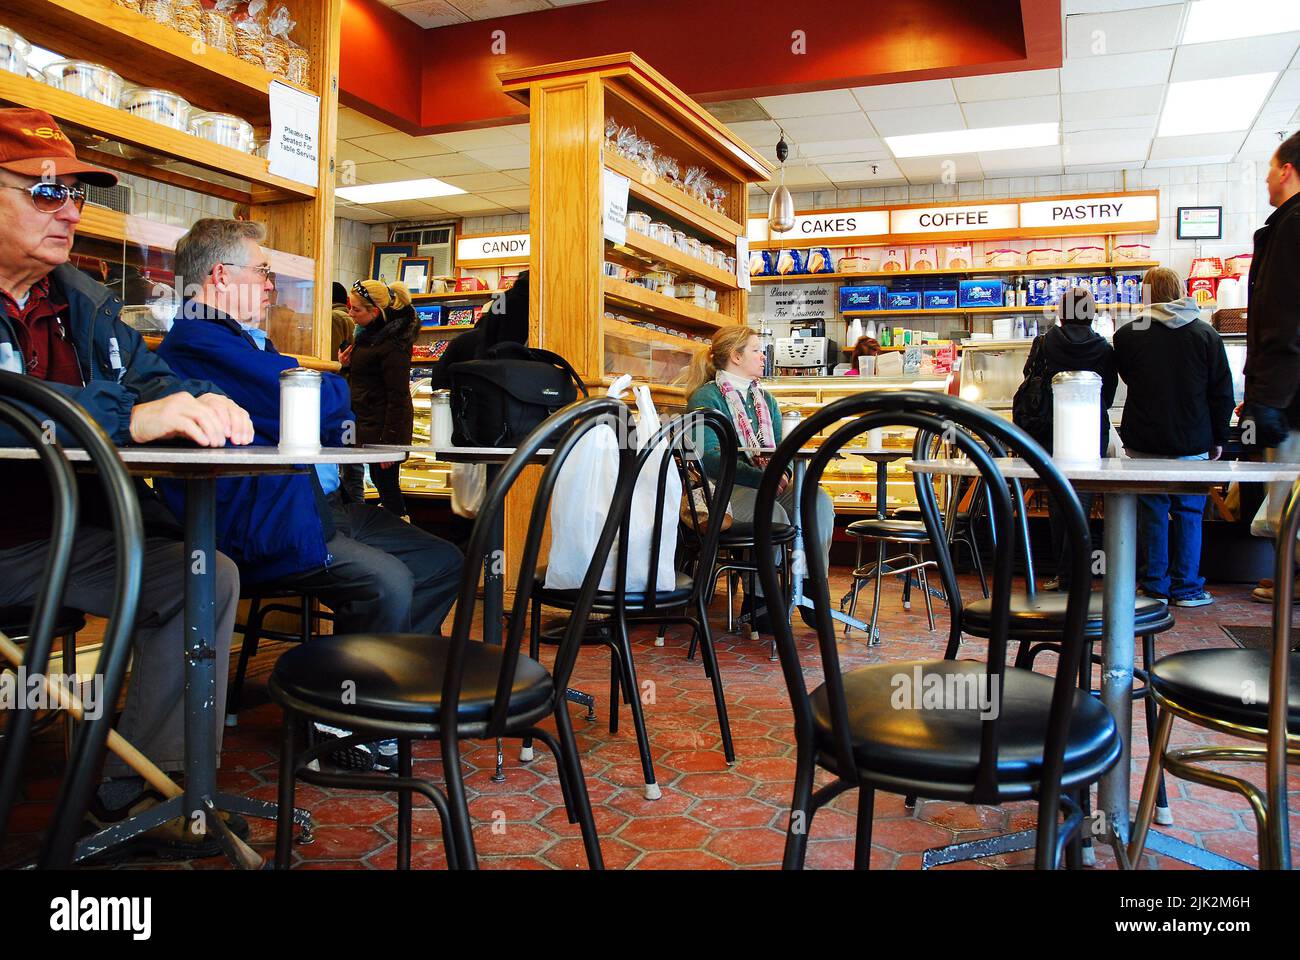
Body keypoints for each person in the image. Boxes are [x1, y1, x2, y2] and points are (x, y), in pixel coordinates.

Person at [0, 109, 254, 856]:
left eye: (76, 194)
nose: (71, 210)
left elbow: (153, 378)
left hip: (64, 536)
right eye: (46, 191)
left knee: (202, 574)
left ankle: (140, 788)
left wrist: (197, 397)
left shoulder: (79, 297)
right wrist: (124, 416)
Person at [156, 219, 465, 769]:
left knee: (442, 561)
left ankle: (374, 695)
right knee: (384, 580)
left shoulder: (245, 340)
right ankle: (338, 727)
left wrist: (317, 390)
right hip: (264, 517)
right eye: (263, 270)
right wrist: (326, 387)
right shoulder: (199, 341)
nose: (272, 285)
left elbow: (312, 405)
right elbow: (317, 403)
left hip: (317, 506)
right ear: (222, 275)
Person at [684, 325, 833, 631]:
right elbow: (711, 461)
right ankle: (760, 598)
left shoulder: (766, 400)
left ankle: (811, 582)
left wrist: (785, 472)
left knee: (818, 501)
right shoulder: (706, 398)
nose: (762, 355)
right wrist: (762, 479)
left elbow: (784, 450)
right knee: (773, 511)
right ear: (736, 357)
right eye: (755, 349)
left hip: (763, 483)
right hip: (722, 490)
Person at [1114, 267, 1233, 607]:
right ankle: (1188, 589)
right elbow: (1222, 393)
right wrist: (1219, 438)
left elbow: (1128, 379)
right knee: (1189, 513)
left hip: (1145, 440)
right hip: (1194, 439)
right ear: (1181, 290)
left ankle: (1154, 587)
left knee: (1152, 512)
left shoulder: (1127, 336)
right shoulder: (1206, 335)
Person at [1012, 286, 1117, 590]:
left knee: (1059, 500)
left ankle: (1064, 573)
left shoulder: (1044, 343)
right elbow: (1108, 394)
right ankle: (1084, 570)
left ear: (1061, 311)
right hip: (1091, 430)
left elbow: (1028, 379)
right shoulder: (1104, 348)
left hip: (1052, 430)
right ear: (1092, 312)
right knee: (1084, 497)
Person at [1242, 131, 1300, 604]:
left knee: (1292, 510)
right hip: (1288, 398)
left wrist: (1267, 401)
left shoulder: (1293, 226)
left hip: (1292, 403)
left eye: (1269, 165)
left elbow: (1284, 322)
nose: (1265, 175)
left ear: (1287, 169)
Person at [344, 279, 418, 517]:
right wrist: (345, 364)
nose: (350, 313)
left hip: (383, 432)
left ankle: (400, 532)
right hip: (368, 425)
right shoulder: (369, 337)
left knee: (386, 485)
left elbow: (398, 397)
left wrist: (389, 444)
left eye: (356, 309)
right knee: (381, 482)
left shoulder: (392, 344)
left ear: (374, 312)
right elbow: (363, 379)